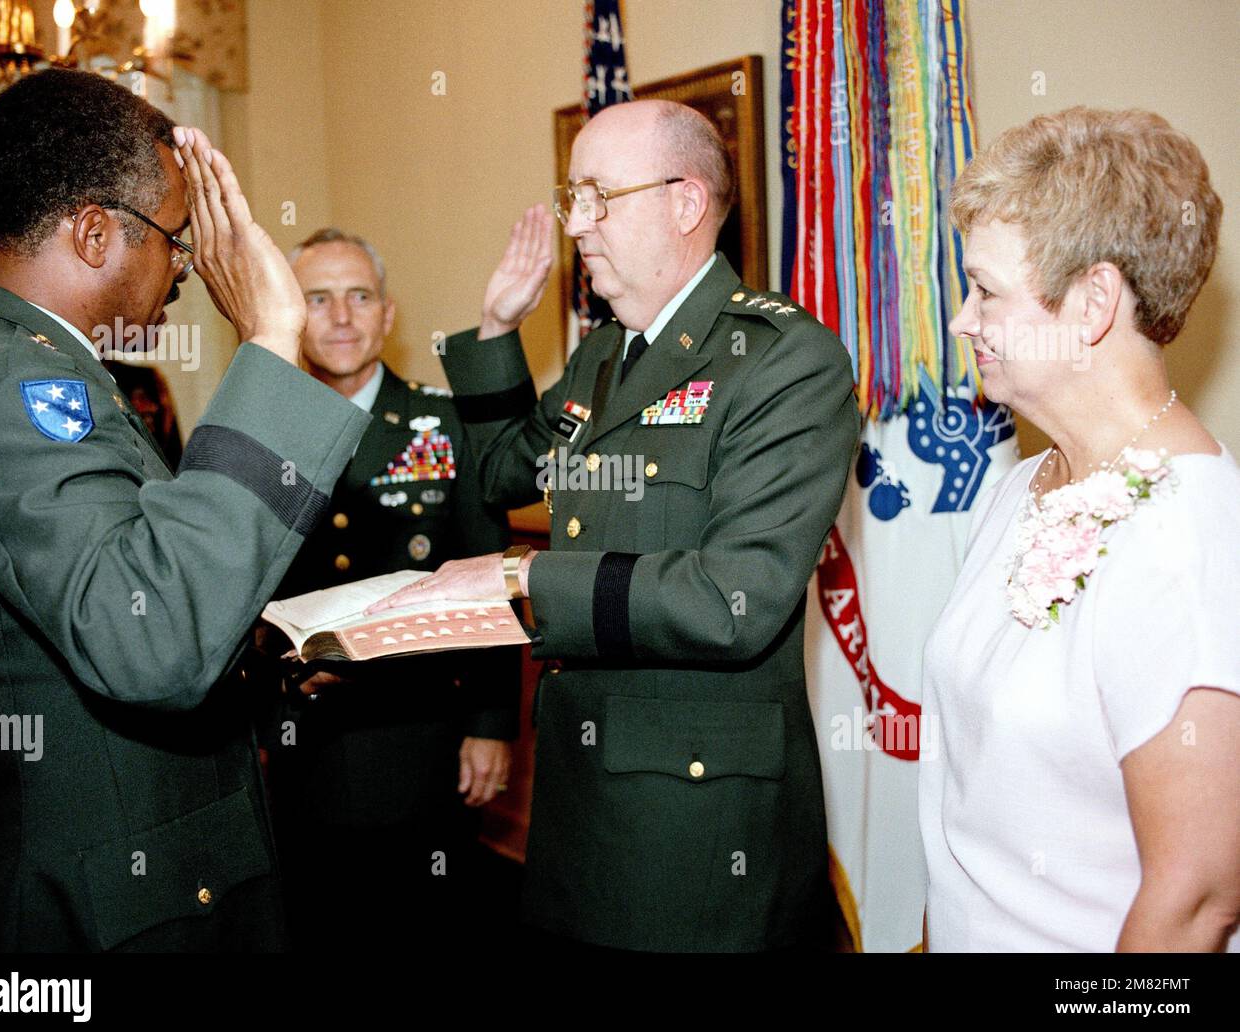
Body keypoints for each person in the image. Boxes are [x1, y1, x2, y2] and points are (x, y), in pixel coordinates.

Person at [376, 99, 860, 952]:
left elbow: (732, 600)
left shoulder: (785, 360)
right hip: (583, 797)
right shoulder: (609, 354)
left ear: (684, 203)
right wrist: (497, 332)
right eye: (572, 199)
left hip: (695, 823)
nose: (577, 225)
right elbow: (501, 474)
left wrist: (521, 580)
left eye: (599, 197)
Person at [0, 69, 369, 951]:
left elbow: (87, 595)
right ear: (96, 232)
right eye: (176, 240)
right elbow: (154, 643)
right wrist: (272, 341)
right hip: (103, 905)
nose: (186, 267)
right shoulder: (22, 393)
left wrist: (256, 650)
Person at [919, 107, 1239, 952]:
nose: (962, 319)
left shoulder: (1186, 541)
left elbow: (1197, 902)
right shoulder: (1023, 484)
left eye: (986, 290)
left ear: (1094, 301)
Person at [261, 228, 520, 950]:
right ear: (292, 312)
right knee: (316, 918)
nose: (340, 316)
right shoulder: (262, 428)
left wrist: (492, 725)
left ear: (388, 314)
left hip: (423, 734)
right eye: (318, 298)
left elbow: (486, 576)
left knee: (428, 921)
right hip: (304, 737)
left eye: (359, 296)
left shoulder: (444, 425)